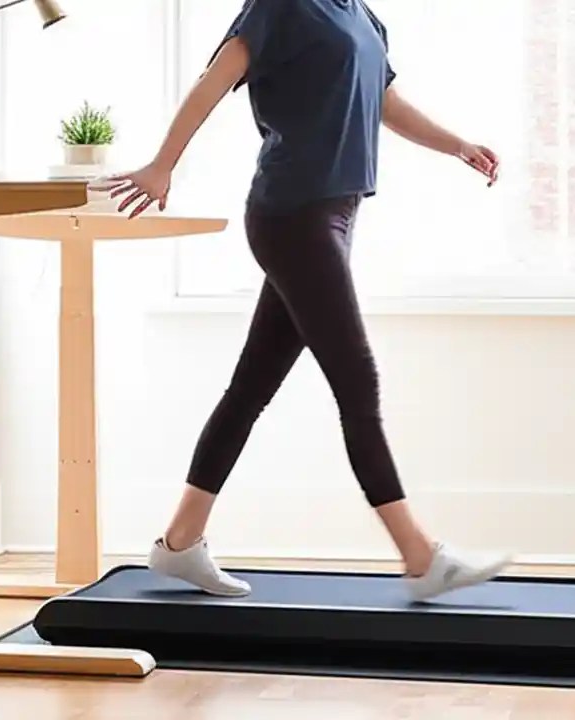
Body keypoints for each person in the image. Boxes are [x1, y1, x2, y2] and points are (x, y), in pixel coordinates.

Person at [108, 0, 510, 602]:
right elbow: (212, 81)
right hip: (291, 215)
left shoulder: (363, 16)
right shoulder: (281, 5)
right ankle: (420, 556)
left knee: (251, 387)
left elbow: (384, 102)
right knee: (357, 379)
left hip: (334, 214)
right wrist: (162, 165)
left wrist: (458, 145)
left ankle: (179, 542)